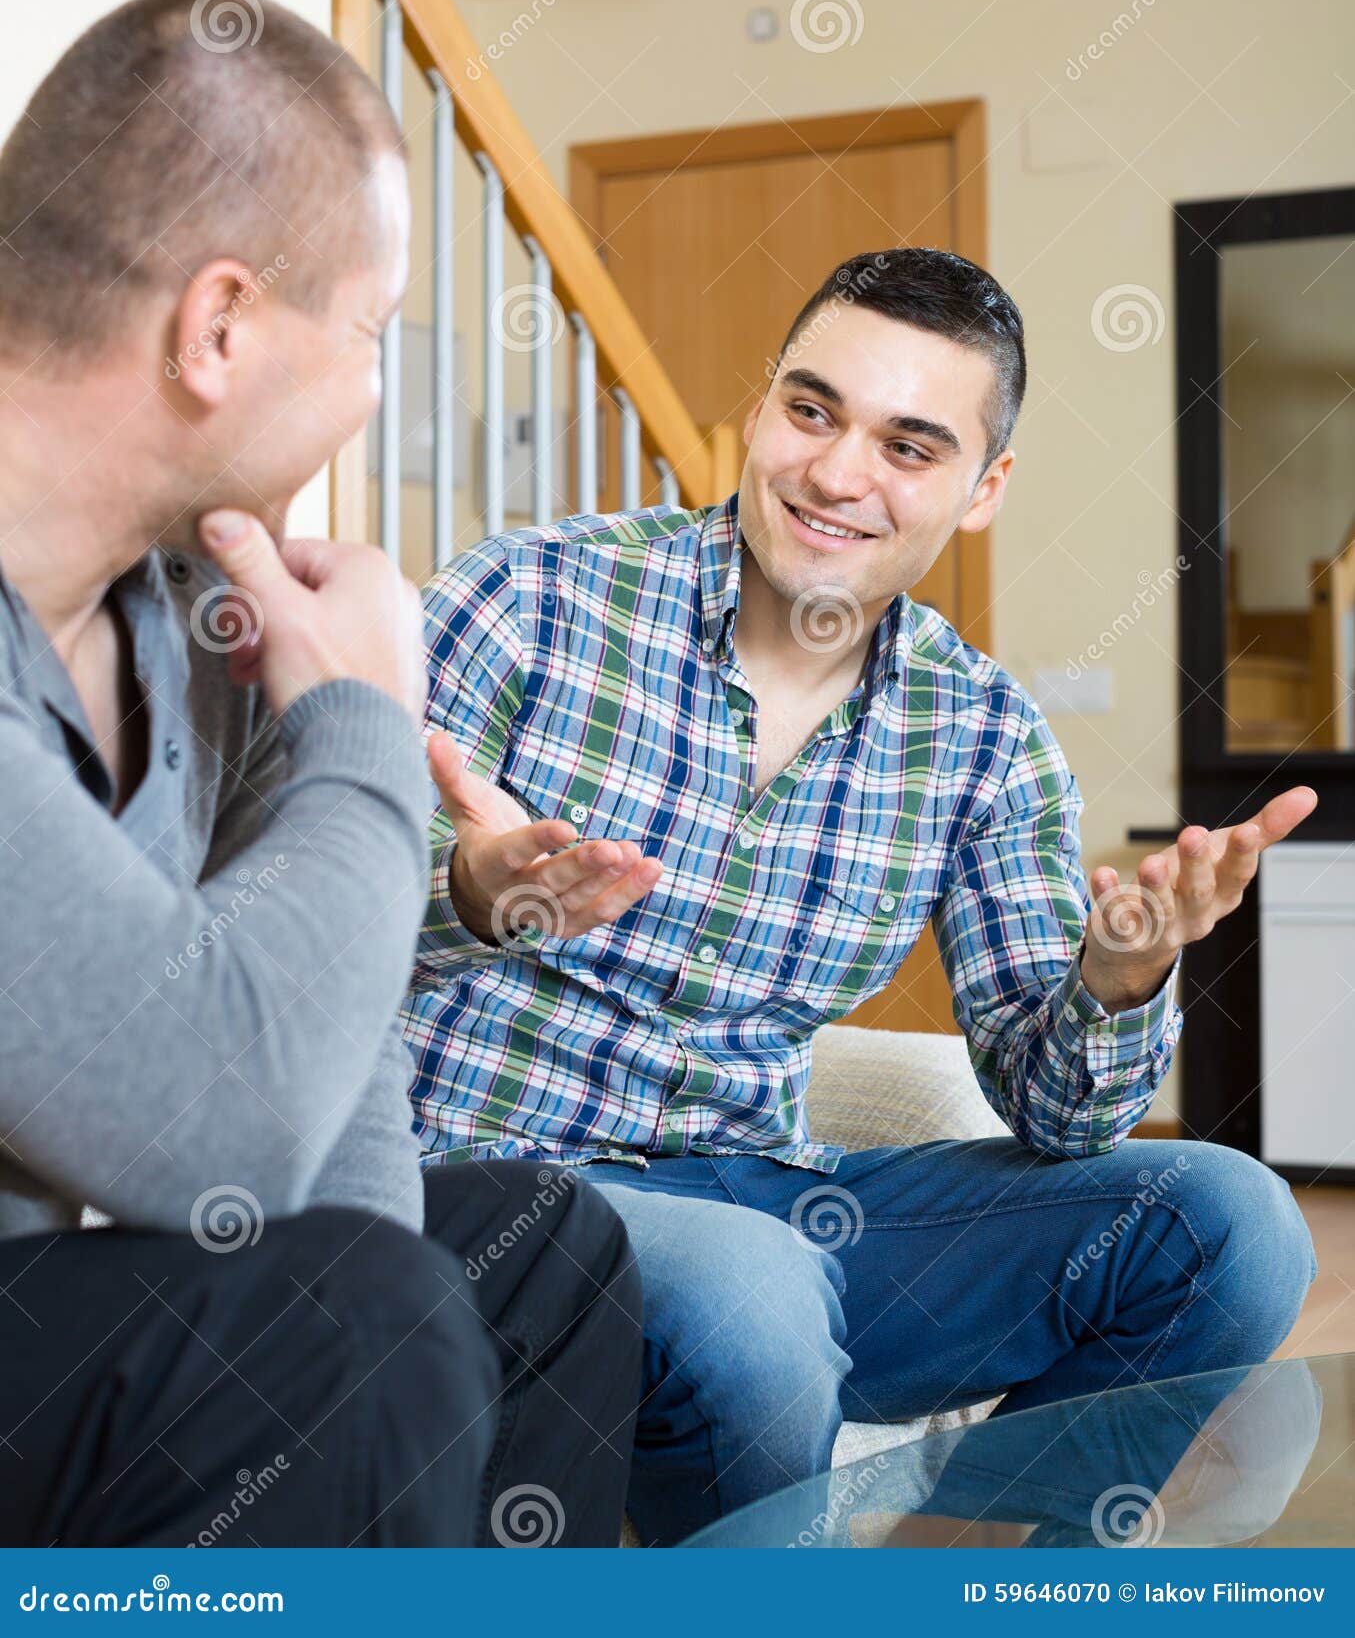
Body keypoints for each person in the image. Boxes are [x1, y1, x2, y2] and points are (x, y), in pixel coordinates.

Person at [406, 245, 1317, 1546]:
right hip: (494, 1192)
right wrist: (465, 890)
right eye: (812, 410)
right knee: (752, 1293)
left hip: (771, 1192)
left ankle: (962, 1576)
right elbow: (288, 928)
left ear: (983, 487)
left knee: (1237, 1224)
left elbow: (1058, 1111)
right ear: (760, 408)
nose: (835, 474)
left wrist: (1120, 978)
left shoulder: (981, 733)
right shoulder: (531, 600)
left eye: (909, 444)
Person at [0, 0, 638, 1548]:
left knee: (539, 1254)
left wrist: (302, 752)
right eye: (371, 332)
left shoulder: (188, 616)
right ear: (219, 326)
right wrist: (360, 730)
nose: (370, 387)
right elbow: (215, 1112)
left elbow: (315, 1127)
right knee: (354, 1330)